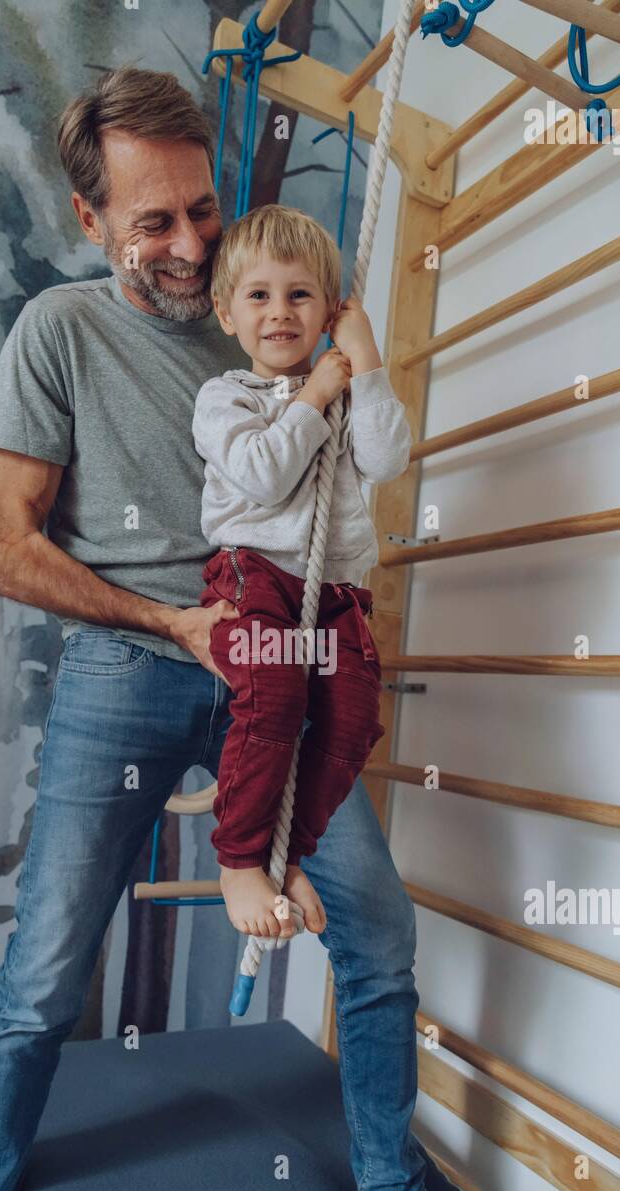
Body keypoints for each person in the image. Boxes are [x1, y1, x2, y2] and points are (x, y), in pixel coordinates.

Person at [0, 66, 500, 1191]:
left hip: (284, 666)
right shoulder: (63, 331)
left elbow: (360, 455)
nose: (190, 243)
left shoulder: (263, 306)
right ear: (92, 222)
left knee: (378, 927)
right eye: (153, 221)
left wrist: (354, 357)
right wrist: (169, 620)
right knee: (39, 979)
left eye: (200, 208)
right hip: (132, 665)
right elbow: (3, 546)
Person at [192, 204, 410, 941]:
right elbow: (263, 474)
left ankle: (290, 855)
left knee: (355, 722)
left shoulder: (348, 398)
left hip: (336, 595)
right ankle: (239, 859)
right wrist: (314, 393)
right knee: (275, 693)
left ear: (326, 313)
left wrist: (366, 363)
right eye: (258, 295)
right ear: (226, 312)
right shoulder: (225, 399)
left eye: (299, 295)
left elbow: (386, 460)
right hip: (253, 579)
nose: (279, 311)